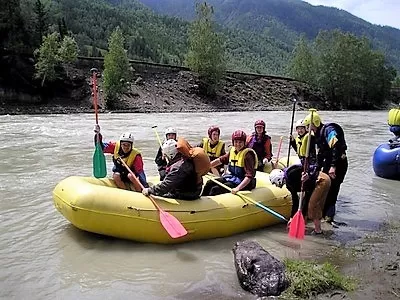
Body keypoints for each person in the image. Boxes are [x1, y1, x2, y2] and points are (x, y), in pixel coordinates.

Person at [302, 111, 348, 226]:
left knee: (333, 189)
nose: (309, 129)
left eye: (309, 126)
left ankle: (329, 217)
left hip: (338, 164)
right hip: (328, 163)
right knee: (325, 188)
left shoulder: (329, 130)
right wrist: (316, 169)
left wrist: (333, 166)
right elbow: (320, 154)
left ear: (315, 123)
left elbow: (336, 147)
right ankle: (321, 214)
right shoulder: (318, 135)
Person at [270, 165, 331, 235]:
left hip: (321, 180)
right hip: (319, 183)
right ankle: (317, 228)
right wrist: (292, 218)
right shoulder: (289, 185)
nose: (276, 185)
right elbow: (295, 201)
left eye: (275, 183)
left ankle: (318, 230)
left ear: (278, 178)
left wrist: (307, 175)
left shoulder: (291, 173)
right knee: (313, 206)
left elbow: (307, 167)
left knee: (312, 207)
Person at [202, 130, 258, 196]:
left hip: (243, 182)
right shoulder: (232, 151)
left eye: (240, 142)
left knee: (215, 189)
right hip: (233, 178)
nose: (238, 144)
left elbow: (249, 176)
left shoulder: (247, 155)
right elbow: (220, 160)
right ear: (233, 142)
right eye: (236, 142)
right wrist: (207, 167)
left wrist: (237, 188)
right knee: (209, 183)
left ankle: (210, 205)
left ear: (244, 142)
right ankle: (201, 200)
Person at [94, 125, 149, 191]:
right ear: (121, 144)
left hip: (132, 175)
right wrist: (98, 135)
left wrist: (145, 185)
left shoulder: (136, 155)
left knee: (131, 176)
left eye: (128, 145)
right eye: (124, 145)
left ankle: (139, 191)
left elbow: (140, 172)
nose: (126, 147)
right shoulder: (115, 147)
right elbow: (101, 148)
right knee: (116, 176)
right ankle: (126, 191)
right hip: (120, 174)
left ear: (131, 145)